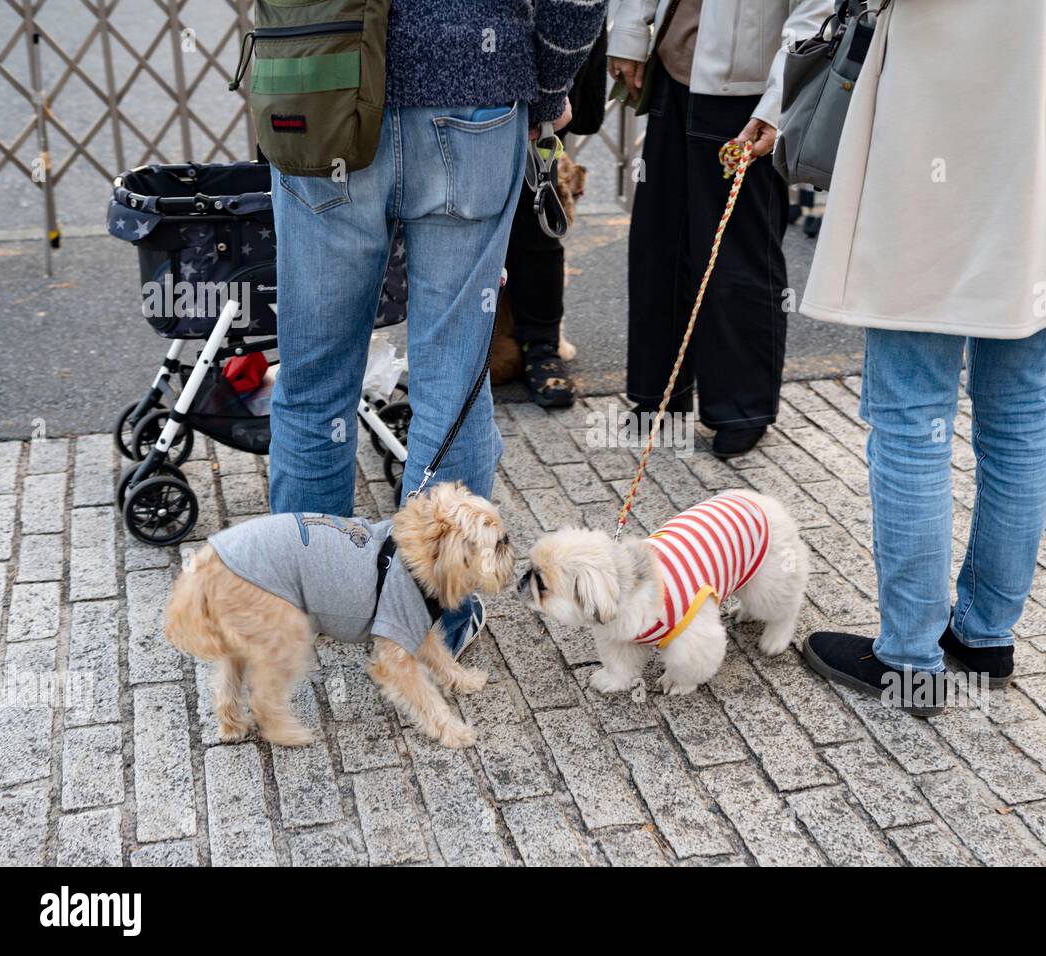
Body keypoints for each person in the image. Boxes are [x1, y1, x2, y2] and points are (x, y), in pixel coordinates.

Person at [799, 0, 1046, 714]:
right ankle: (985, 633)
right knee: (1020, 402)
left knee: (910, 408)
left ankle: (909, 655)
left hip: (947, 123)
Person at [267, 0, 607, 654]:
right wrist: (549, 88)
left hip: (322, 86)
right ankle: (434, 621)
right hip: (474, 100)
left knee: (314, 384)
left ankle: (309, 604)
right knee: (451, 383)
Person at [608, 0, 830, 458]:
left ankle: (741, 406)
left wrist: (776, 104)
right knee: (659, 241)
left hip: (748, 92)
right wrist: (630, 33)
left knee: (737, 252)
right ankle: (660, 397)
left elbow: (816, 12)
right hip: (673, 68)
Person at [502, 20, 609, 409]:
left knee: (535, 224)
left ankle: (541, 345)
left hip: (539, 96)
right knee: (444, 229)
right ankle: (451, 355)